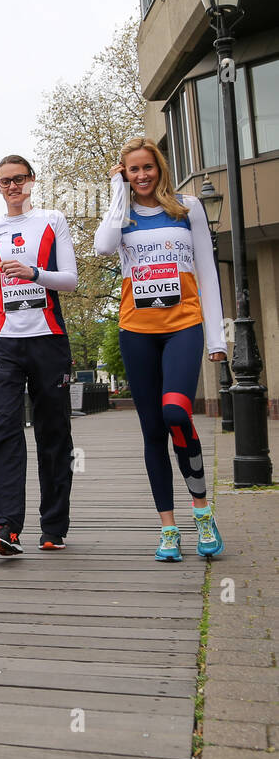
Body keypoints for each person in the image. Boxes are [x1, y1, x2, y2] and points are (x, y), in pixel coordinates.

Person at [95, 138, 227, 561]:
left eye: (147, 167)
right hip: (136, 330)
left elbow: (206, 271)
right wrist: (117, 194)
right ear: (125, 174)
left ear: (159, 168)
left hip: (183, 326)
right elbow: (101, 246)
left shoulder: (188, 207)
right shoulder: (122, 214)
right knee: (152, 431)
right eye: (132, 170)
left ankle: (202, 511)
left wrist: (218, 339)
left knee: (176, 413)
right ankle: (168, 528)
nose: (142, 176)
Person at [0, 154, 78, 555]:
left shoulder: (53, 220)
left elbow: (69, 280)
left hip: (48, 338)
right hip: (3, 342)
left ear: (32, 181)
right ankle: (2, 527)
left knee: (53, 433)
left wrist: (34, 274)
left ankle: (53, 526)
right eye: (5, 182)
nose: (13, 187)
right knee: (3, 429)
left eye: (19, 179)